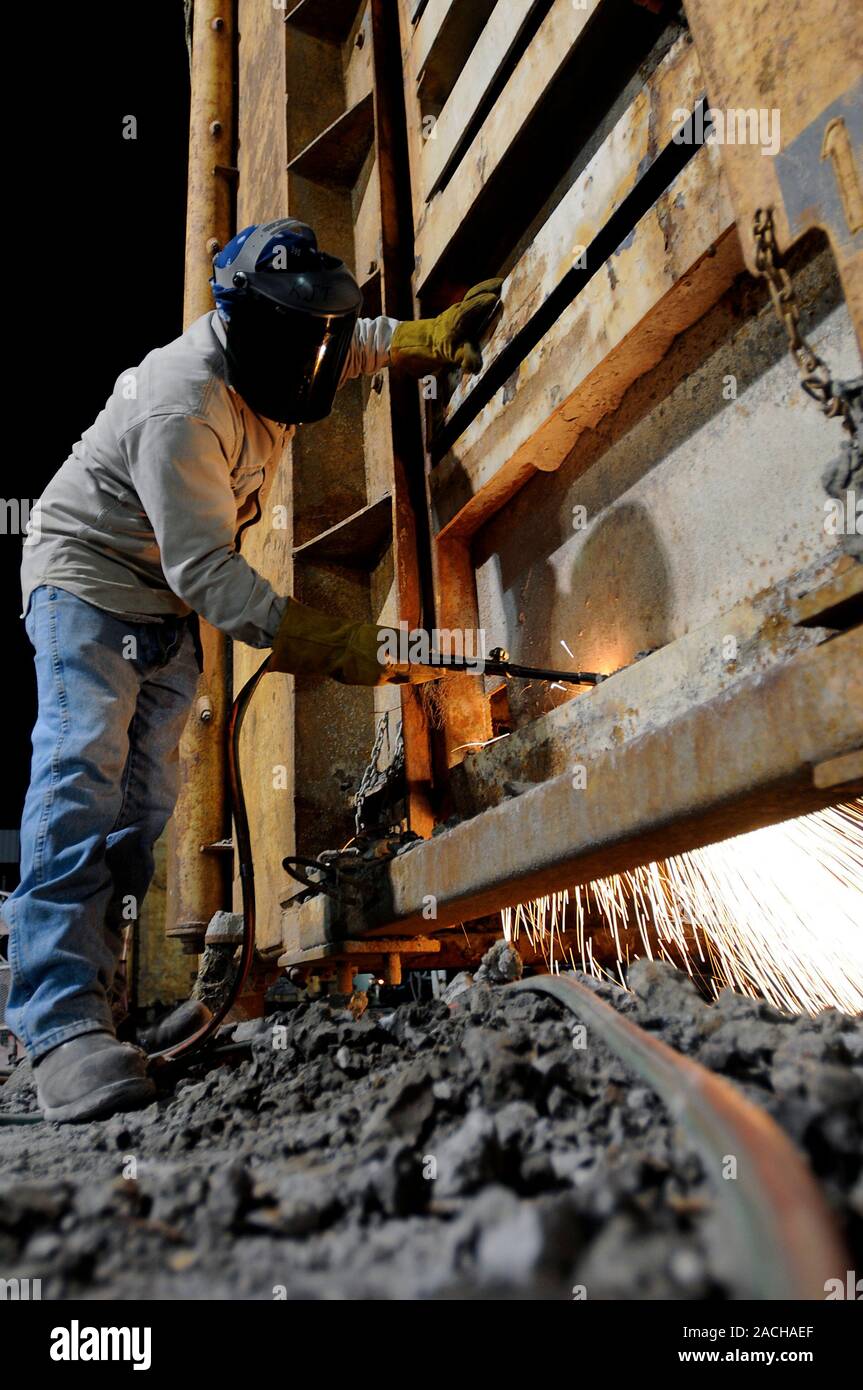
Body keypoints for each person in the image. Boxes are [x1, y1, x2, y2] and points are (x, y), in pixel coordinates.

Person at [4, 217, 501, 1122]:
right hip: (87, 582)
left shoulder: (288, 343)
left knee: (139, 811)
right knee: (82, 778)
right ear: (244, 321)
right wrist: (342, 649)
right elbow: (207, 574)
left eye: (324, 334)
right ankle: (57, 1025)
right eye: (305, 335)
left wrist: (419, 341)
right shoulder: (181, 404)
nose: (320, 354)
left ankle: (104, 1019)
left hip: (157, 597)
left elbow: (345, 348)